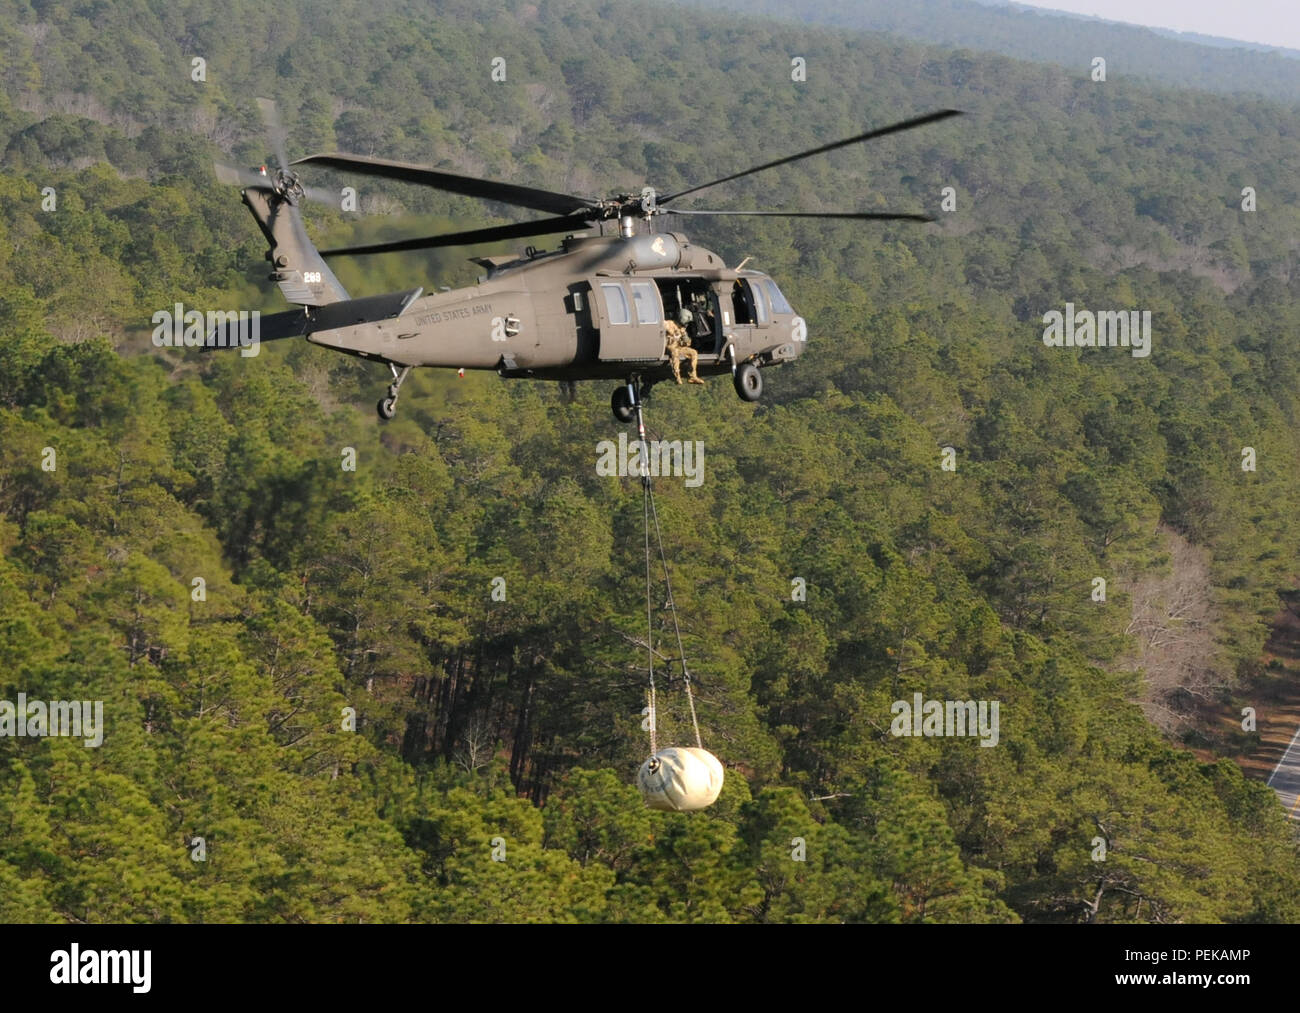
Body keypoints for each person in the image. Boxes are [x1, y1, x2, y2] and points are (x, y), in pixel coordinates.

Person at [664, 317, 704, 384]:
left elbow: (688, 343)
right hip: (670, 346)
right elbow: (662, 325)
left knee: (693, 353)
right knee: (675, 355)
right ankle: (677, 377)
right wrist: (672, 331)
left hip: (679, 347)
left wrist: (684, 335)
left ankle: (693, 376)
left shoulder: (683, 329)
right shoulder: (669, 323)